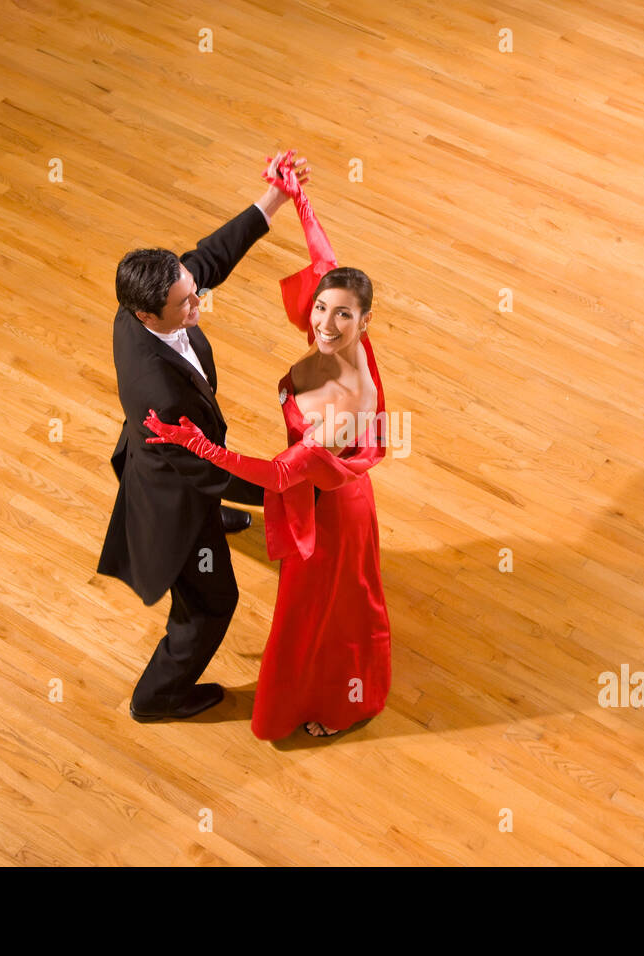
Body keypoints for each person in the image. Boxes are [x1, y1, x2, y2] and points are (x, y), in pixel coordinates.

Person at [144, 152, 392, 739]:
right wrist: (297, 201)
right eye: (322, 308)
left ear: (367, 322)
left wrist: (196, 445)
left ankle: (341, 702)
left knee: (322, 615)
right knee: (328, 611)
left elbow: (280, 477)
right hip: (325, 496)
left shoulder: (347, 402)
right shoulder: (337, 326)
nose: (324, 325)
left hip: (328, 516)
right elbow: (325, 262)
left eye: (341, 317)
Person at [97, 150, 309, 722]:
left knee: (214, 497)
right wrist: (292, 494)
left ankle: (216, 514)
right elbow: (208, 471)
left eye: (193, 292)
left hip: (183, 463)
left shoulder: (146, 302)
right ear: (147, 315)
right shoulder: (159, 392)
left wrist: (275, 200)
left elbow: (209, 258)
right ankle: (157, 697)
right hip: (174, 491)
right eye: (187, 301)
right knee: (213, 603)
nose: (199, 302)